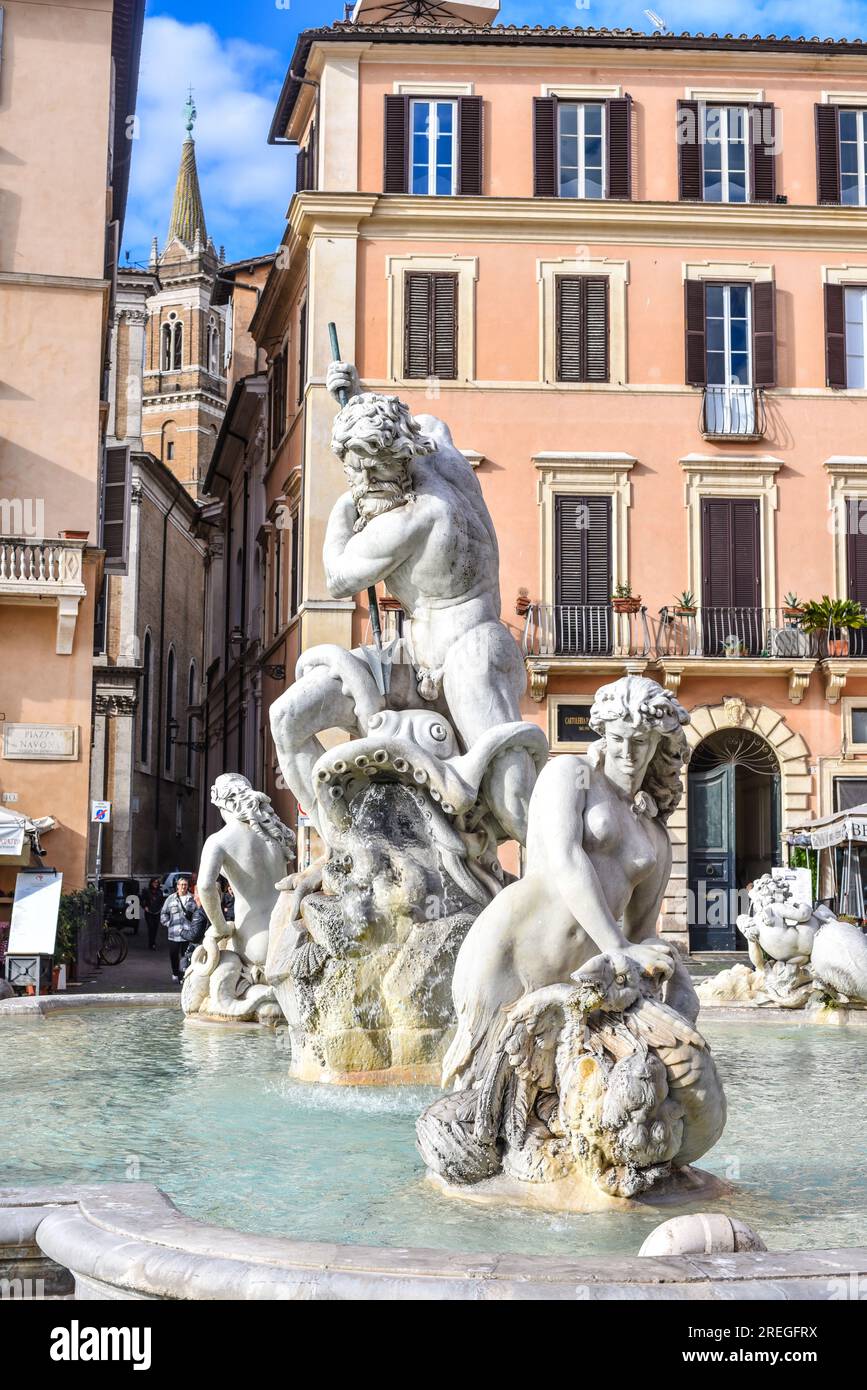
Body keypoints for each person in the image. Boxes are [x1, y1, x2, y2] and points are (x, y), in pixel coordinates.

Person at [160, 875, 195, 983]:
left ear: (188, 886)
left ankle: (184, 975)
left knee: (186, 956)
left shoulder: (192, 899)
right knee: (174, 955)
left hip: (187, 933)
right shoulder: (170, 898)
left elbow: (198, 914)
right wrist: (167, 923)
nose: (183, 887)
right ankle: (175, 973)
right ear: (177, 886)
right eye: (181, 885)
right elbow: (164, 913)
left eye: (185, 885)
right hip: (174, 934)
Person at [179, 885, 209, 979]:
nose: (194, 897)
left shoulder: (200, 913)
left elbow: (194, 936)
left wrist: (181, 932)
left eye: (195, 895)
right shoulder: (210, 909)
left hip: (199, 950)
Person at [140, 877, 164, 952]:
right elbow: (141, 900)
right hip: (149, 912)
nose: (155, 884)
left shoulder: (160, 892)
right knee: (151, 927)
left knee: (155, 928)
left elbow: (161, 901)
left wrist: (161, 907)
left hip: (157, 912)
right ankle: (151, 943)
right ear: (151, 883)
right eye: (154, 882)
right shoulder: (146, 891)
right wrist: (144, 907)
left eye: (157, 883)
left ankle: (153, 942)